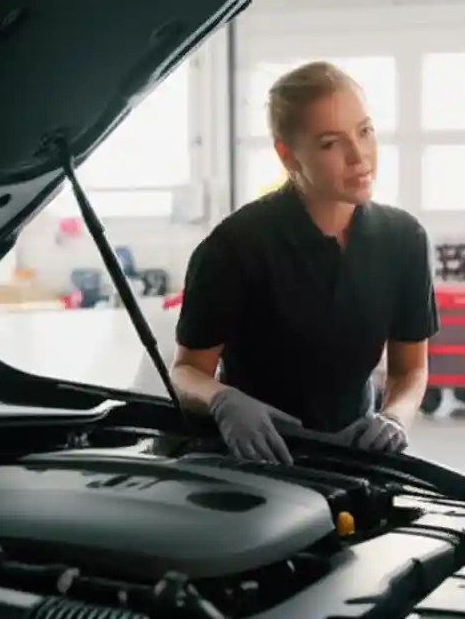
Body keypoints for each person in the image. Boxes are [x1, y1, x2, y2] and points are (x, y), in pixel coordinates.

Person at [171, 60, 439, 465]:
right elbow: (185, 373)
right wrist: (224, 401)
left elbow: (410, 370)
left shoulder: (404, 240)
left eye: (364, 131)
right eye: (331, 142)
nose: (359, 155)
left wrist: (395, 418)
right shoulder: (234, 247)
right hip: (251, 459)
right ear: (287, 155)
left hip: (353, 455)